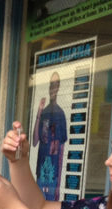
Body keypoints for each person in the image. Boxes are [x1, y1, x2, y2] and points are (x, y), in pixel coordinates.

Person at [32, 71, 68, 201]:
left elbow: (62, 146)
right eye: (52, 84)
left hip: (53, 171)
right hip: (41, 168)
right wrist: (39, 112)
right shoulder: (44, 112)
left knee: (51, 205)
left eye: (56, 84)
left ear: (59, 87)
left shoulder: (61, 113)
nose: (53, 87)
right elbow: (35, 141)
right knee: (38, 204)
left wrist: (58, 178)